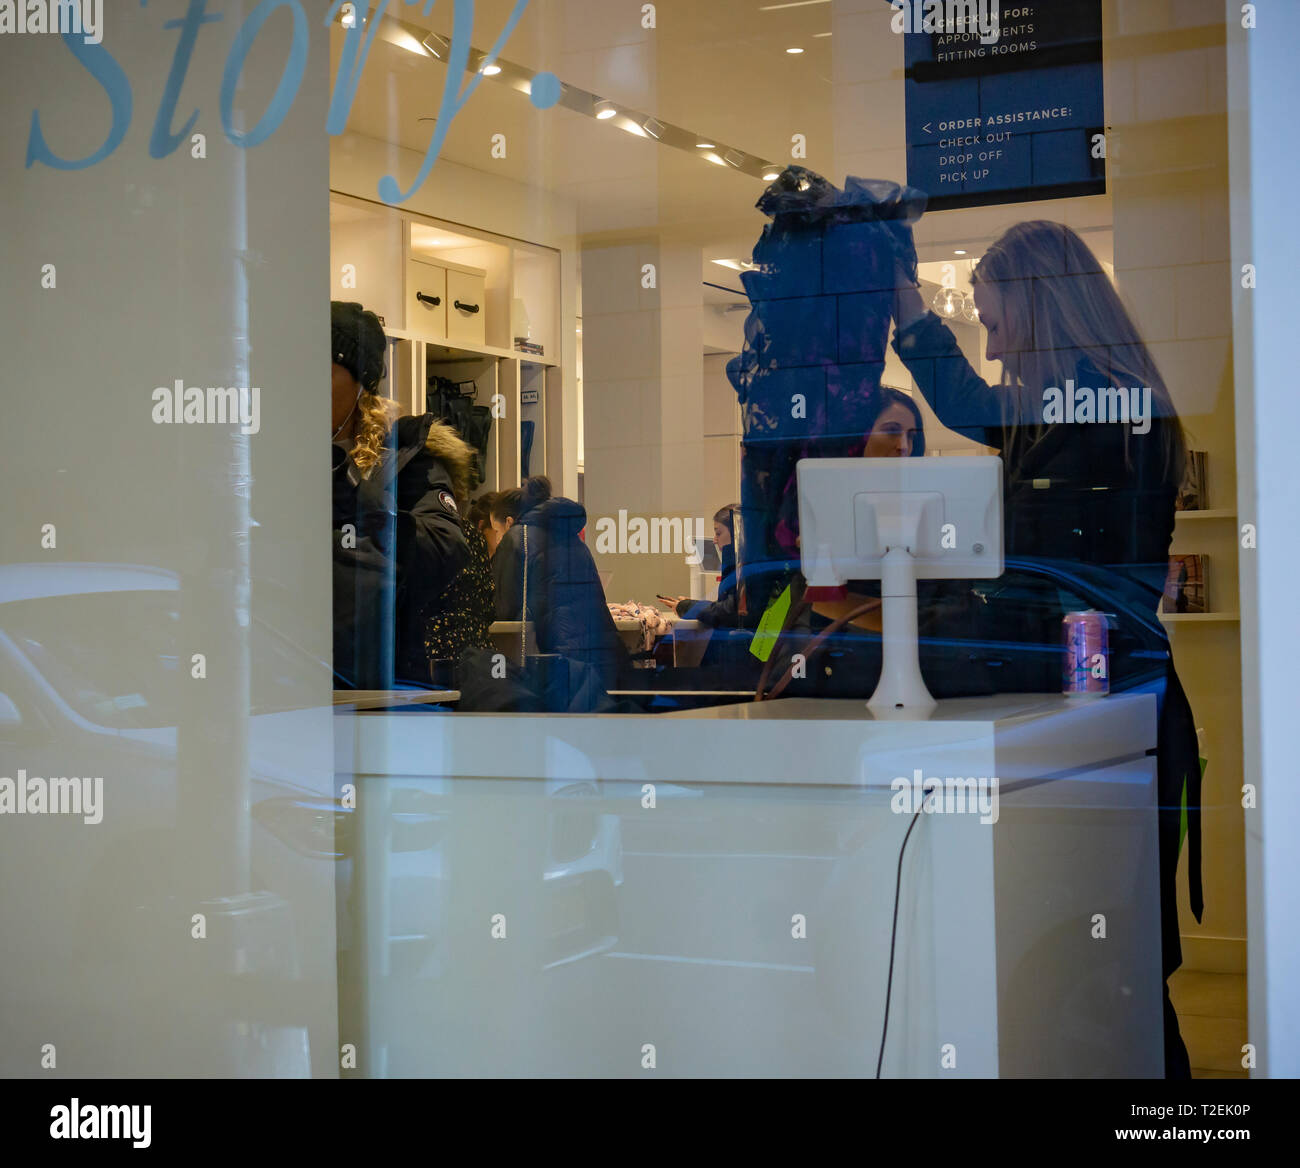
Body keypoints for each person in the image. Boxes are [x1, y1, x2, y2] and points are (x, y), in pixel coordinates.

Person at [889, 220, 1199, 1078]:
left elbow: (1076, 575)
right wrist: (911, 313)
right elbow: (968, 403)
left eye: (994, 320)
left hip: (1119, 710)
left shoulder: (1102, 410)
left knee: (1114, 958)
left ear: (1037, 304)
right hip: (1111, 709)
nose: (990, 343)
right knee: (1113, 959)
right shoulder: (1070, 406)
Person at [330, 300, 491, 689]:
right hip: (293, 677)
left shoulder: (406, 459)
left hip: (383, 684)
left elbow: (443, 547)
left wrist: (364, 505)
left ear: (359, 381)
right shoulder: (281, 463)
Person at [491, 475, 627, 692]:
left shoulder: (517, 537)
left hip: (554, 658)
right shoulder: (572, 538)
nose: (497, 538)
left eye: (496, 531)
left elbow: (507, 611)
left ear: (508, 522)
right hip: (599, 653)